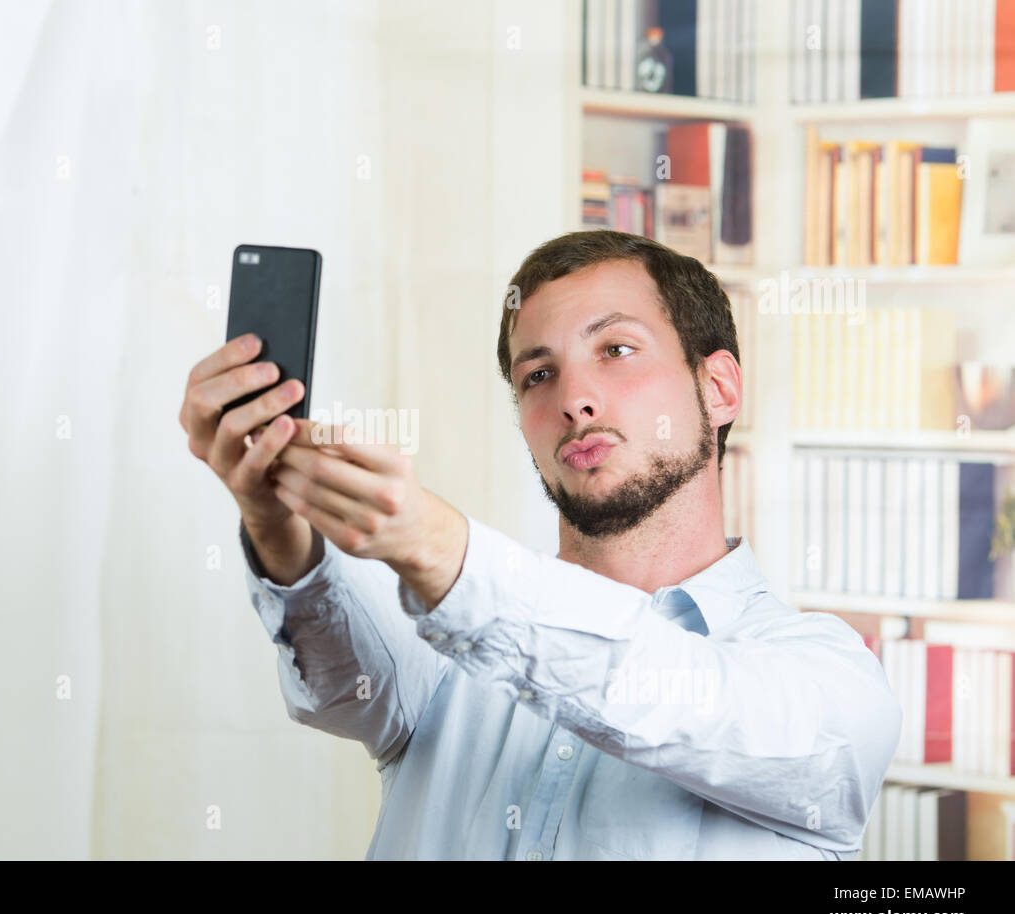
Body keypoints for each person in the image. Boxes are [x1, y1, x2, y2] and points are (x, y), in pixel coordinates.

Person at [178, 229, 901, 860]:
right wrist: (275, 520)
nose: (574, 399)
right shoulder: (446, 647)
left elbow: (664, 692)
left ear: (717, 387)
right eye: (538, 374)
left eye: (616, 349)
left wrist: (438, 546)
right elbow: (337, 677)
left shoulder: (832, 689)